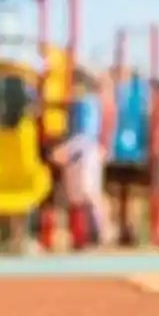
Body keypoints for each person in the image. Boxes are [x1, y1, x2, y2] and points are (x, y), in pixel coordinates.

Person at [50, 68, 112, 246]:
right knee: (76, 195)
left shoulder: (88, 104)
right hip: (77, 155)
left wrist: (65, 149)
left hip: (85, 154)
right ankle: (83, 235)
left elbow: (86, 135)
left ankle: (102, 231)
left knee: (89, 192)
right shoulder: (80, 103)